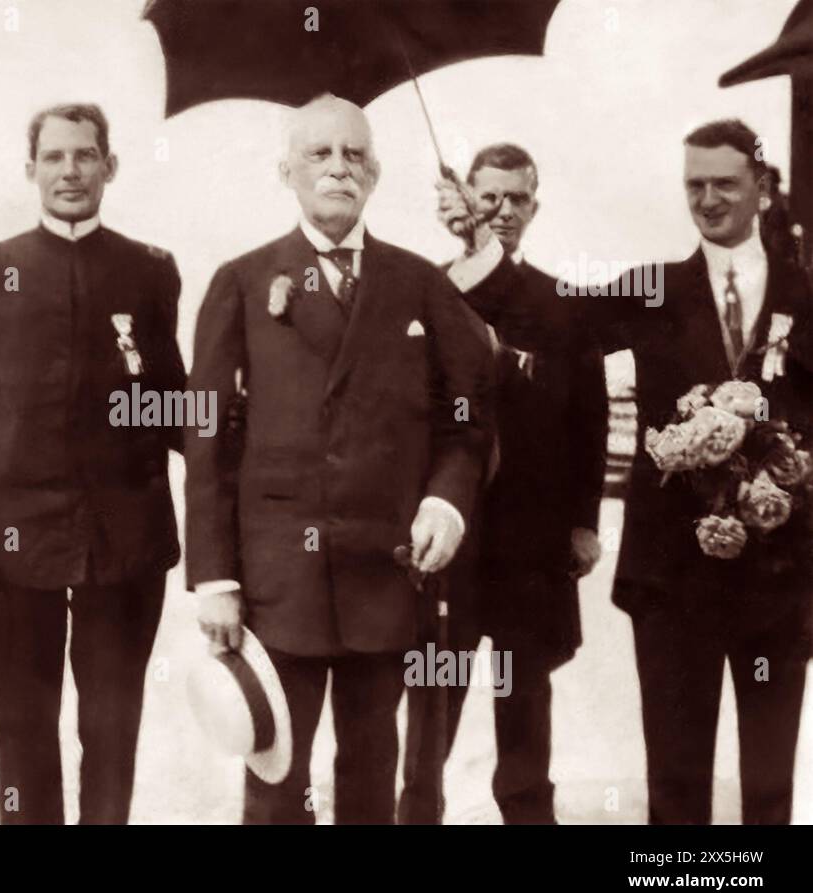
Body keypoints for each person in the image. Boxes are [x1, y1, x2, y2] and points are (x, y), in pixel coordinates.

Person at [451, 118, 812, 825]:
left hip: (780, 580)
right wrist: (482, 247)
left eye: (725, 184)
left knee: (769, 783)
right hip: (672, 581)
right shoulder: (654, 289)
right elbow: (548, 313)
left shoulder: (807, 295)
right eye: (694, 185)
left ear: (761, 188)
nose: (707, 200)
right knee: (675, 784)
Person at [184, 93, 496, 824]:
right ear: (286, 169)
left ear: (377, 174)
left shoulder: (420, 283)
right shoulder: (240, 280)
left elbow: (468, 417)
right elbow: (208, 443)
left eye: (353, 154)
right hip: (275, 581)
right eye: (319, 153)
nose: (337, 168)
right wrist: (215, 577)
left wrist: (446, 500)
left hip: (385, 573)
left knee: (370, 768)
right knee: (275, 771)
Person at [0, 103, 186, 824]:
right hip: (15, 541)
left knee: (111, 725)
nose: (70, 170)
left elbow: (168, 402)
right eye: (54, 157)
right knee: (22, 724)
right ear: (31, 170)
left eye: (84, 155)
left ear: (110, 166)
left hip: (126, 541)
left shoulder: (150, 271)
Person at [400, 143, 608, 825]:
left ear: (535, 206)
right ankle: (417, 812)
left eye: (516, 199)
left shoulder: (562, 303)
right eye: (487, 197)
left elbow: (589, 422)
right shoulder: (427, 289)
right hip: (451, 537)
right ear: (462, 203)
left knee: (523, 695)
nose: (502, 211)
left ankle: (527, 815)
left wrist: (584, 521)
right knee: (439, 688)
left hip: (530, 543)